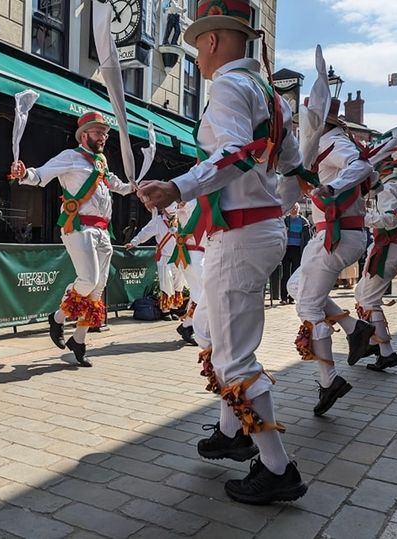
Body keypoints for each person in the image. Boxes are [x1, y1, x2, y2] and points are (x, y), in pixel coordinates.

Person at [136, 0, 308, 505]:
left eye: (195, 48)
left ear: (212, 40)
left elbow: (233, 154)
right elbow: (295, 168)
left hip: (241, 235)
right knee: (212, 330)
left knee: (234, 357)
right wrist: (274, 206)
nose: (196, 59)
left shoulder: (229, 86)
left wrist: (179, 187)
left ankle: (277, 468)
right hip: (255, 229)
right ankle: (231, 434)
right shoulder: (272, 97)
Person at [10, 111, 135, 367]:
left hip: (103, 231)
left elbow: (118, 186)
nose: (103, 137)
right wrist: (24, 173)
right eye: (99, 132)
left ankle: (78, 339)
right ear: (84, 134)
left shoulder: (101, 162)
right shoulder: (70, 157)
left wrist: (136, 186)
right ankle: (57, 318)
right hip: (78, 227)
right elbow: (41, 175)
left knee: (97, 288)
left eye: (105, 133)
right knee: (88, 280)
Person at [285, 99, 378, 418]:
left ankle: (329, 381)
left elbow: (364, 167)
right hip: (332, 234)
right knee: (296, 286)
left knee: (308, 305)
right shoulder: (324, 146)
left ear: (319, 123)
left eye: (305, 121)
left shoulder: (334, 142)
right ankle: (355, 328)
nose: (301, 128)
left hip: (336, 234)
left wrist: (333, 186)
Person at [352, 160, 397, 371]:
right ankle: (374, 343)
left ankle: (385, 350)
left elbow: (390, 219)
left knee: (369, 300)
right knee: (362, 293)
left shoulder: (390, 186)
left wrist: (361, 217)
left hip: (389, 247)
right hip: (391, 246)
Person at [127, 205, 182, 320]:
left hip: (179, 256)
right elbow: (145, 232)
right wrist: (134, 242)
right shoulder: (158, 221)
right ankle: (166, 310)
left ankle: (175, 308)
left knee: (178, 282)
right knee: (166, 282)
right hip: (165, 256)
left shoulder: (181, 218)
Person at [172, 199, 205, 344]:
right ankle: (191, 327)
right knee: (202, 293)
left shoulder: (200, 202)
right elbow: (180, 208)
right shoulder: (191, 204)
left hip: (199, 253)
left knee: (198, 292)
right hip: (192, 254)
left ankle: (187, 326)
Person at [280, 203, 310, 304]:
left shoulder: (303, 221)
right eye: (292, 208)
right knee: (285, 273)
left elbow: (307, 238)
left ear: (298, 209)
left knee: (295, 274)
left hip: (298, 249)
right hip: (287, 249)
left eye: (296, 208)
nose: (294, 209)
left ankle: (292, 297)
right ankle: (283, 297)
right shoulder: (285, 220)